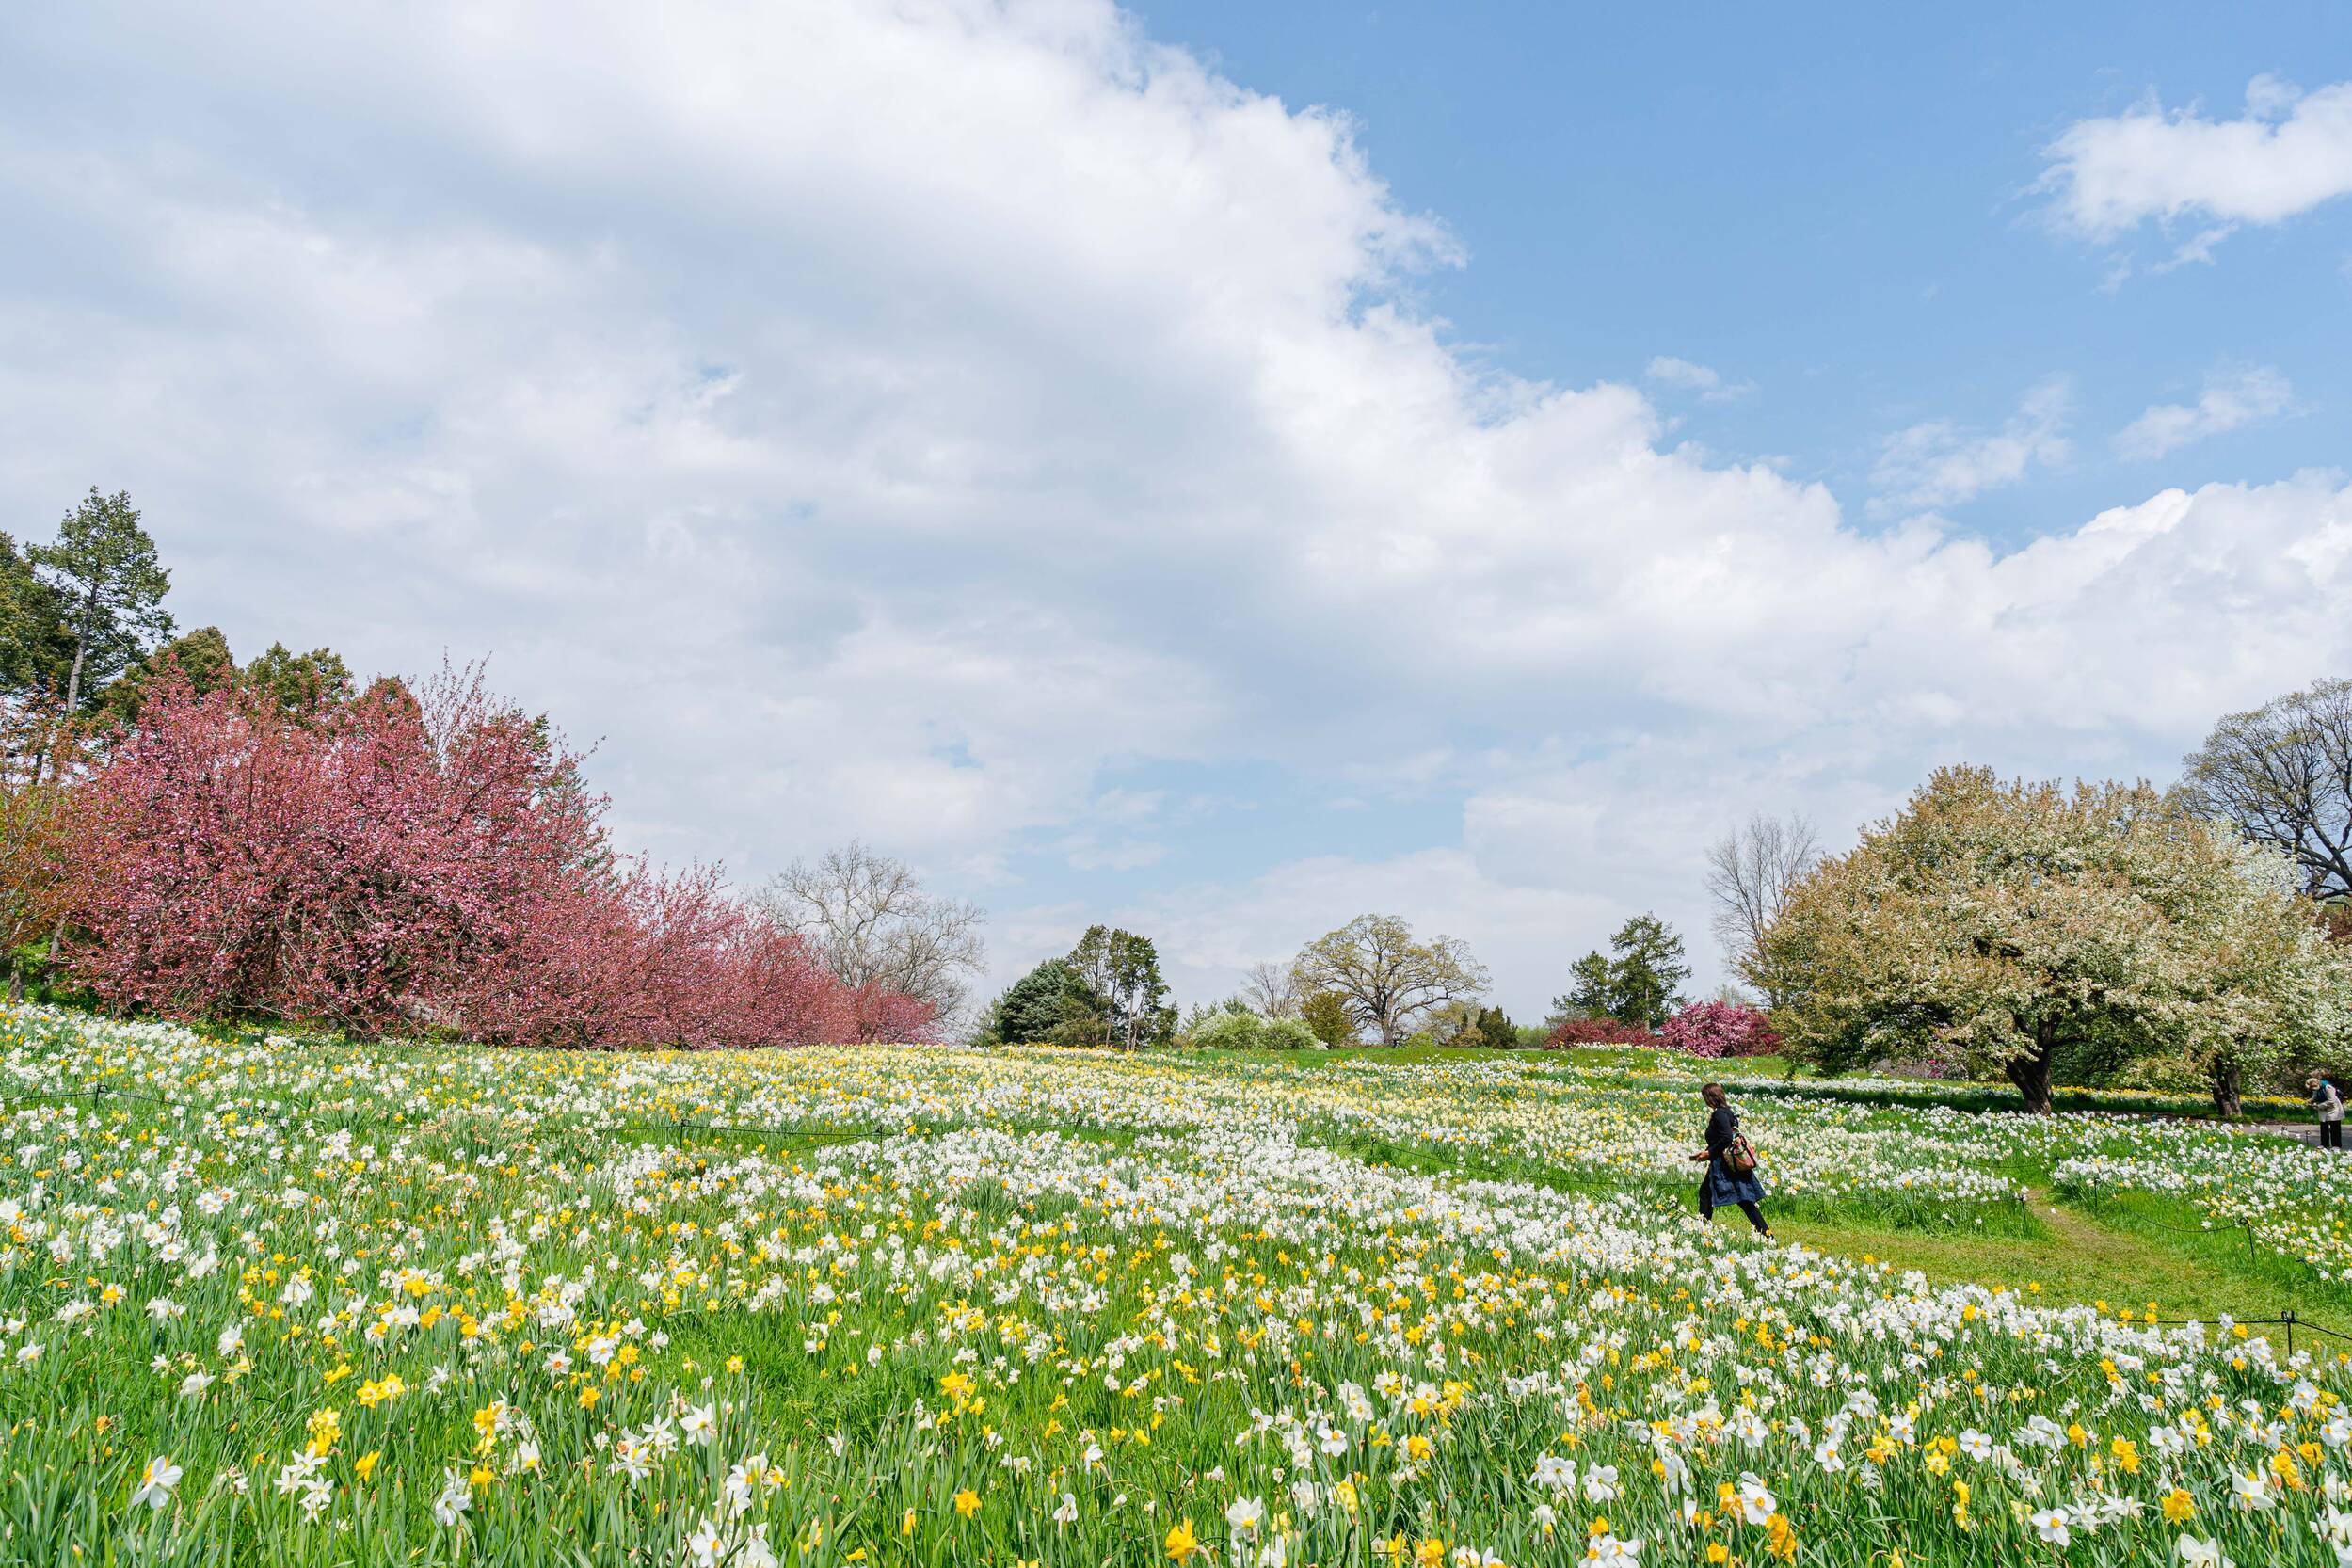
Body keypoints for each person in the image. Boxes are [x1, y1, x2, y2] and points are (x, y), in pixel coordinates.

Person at [1689, 1081, 1771, 1237]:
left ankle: (1702, 1231)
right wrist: (1708, 1152)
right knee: (1740, 1199)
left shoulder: (1719, 1114)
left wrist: (1709, 1153)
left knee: (1710, 1194)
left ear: (1710, 1098)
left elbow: (1726, 1137)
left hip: (1724, 1165)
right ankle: (1767, 1234)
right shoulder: (1728, 1112)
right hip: (1730, 1162)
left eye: (1705, 1097)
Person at [2309, 1075, 2344, 1150]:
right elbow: (2315, 1096)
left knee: (2335, 1127)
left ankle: (2336, 1145)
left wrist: (2320, 1105)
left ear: (2318, 1084)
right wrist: (2310, 1101)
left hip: (2333, 1109)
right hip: (2323, 1108)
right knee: (2323, 1127)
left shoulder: (2328, 1087)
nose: (2313, 1089)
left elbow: (2332, 1100)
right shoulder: (2316, 1088)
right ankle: (2324, 1144)